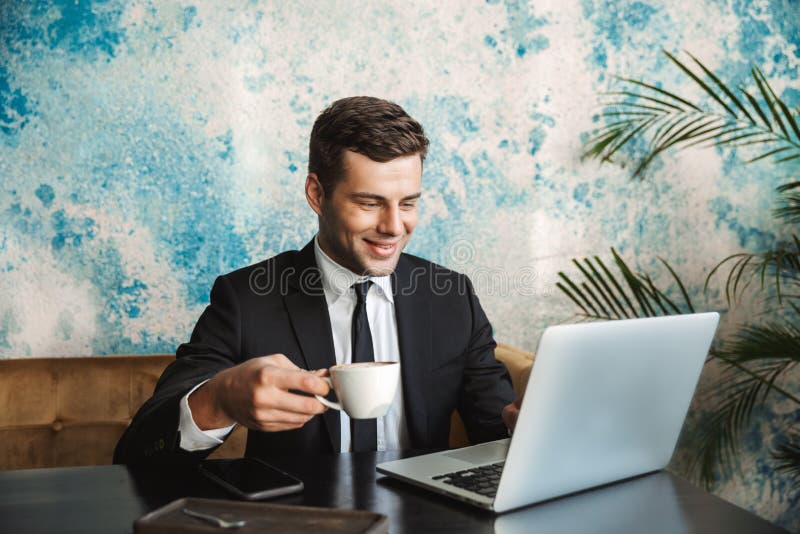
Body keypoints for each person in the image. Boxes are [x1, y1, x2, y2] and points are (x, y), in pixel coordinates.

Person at [114, 96, 519, 464]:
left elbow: (497, 431)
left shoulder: (452, 297)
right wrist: (219, 399)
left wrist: (524, 431)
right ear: (316, 194)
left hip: (427, 513)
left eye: (408, 203)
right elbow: (137, 455)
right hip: (303, 512)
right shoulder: (246, 299)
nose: (394, 227)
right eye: (370, 203)